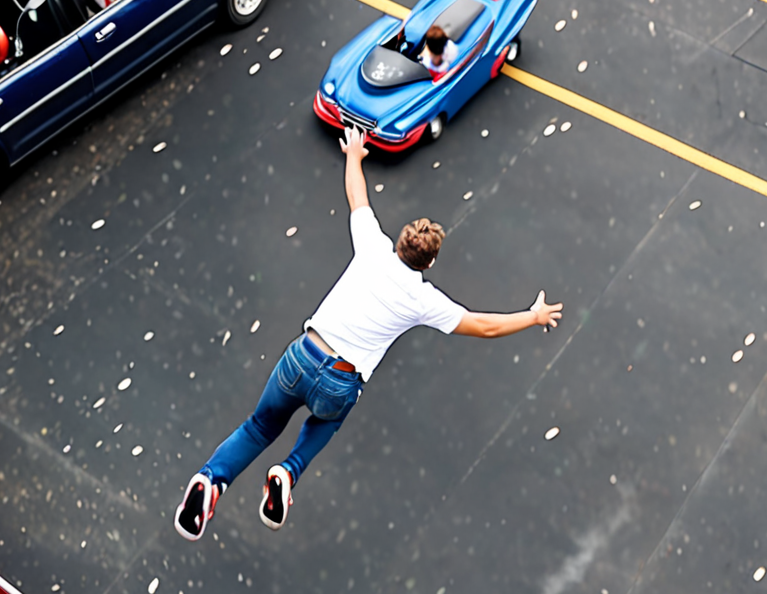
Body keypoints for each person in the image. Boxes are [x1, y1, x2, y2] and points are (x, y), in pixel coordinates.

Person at [174, 126, 563, 541]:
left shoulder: (372, 246)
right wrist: (532, 315)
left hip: (302, 355)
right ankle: (288, 472)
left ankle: (211, 480)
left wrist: (354, 156)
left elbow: (357, 195)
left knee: (258, 428)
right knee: (327, 422)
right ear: (429, 263)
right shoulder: (423, 299)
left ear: (399, 242)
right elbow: (485, 326)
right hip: (340, 380)